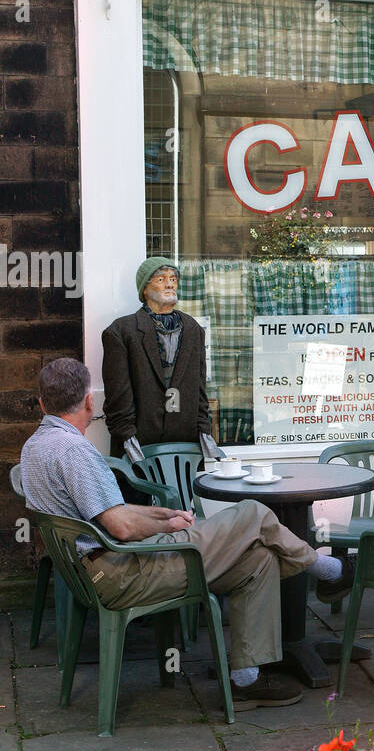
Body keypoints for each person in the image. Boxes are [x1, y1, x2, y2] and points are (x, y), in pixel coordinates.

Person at [20, 359, 354, 710]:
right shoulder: (75, 451)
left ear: (42, 403)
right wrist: (168, 526)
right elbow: (122, 527)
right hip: (124, 572)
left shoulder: (36, 447)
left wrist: (162, 513)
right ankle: (327, 571)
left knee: (259, 559)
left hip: (97, 569)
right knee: (254, 513)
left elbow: (107, 514)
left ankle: (246, 680)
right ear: (90, 402)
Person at [101, 258, 221, 464]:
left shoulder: (193, 329)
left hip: (184, 443)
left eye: (173, 279)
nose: (169, 284)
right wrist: (127, 436)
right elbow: (117, 395)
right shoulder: (121, 332)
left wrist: (203, 429)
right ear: (144, 290)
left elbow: (200, 387)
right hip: (139, 444)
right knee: (139, 496)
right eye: (161, 279)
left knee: (181, 495)